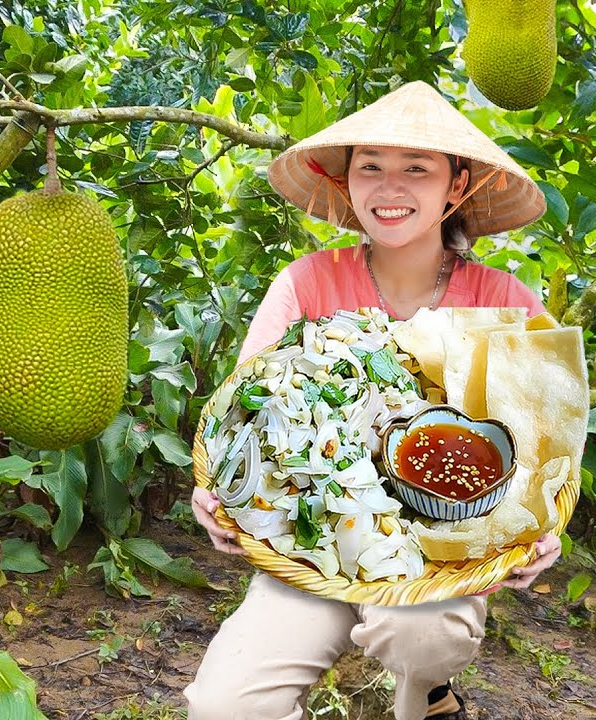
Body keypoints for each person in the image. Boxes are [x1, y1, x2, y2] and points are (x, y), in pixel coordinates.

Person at [183, 81, 564, 720]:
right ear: (347, 183)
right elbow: (238, 418)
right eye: (371, 168)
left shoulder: (506, 303)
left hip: (440, 560)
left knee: (422, 638)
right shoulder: (307, 284)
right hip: (314, 550)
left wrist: (541, 526)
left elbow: (547, 451)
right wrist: (220, 490)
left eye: (417, 169)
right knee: (225, 708)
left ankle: (427, 695)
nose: (391, 188)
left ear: (457, 186)